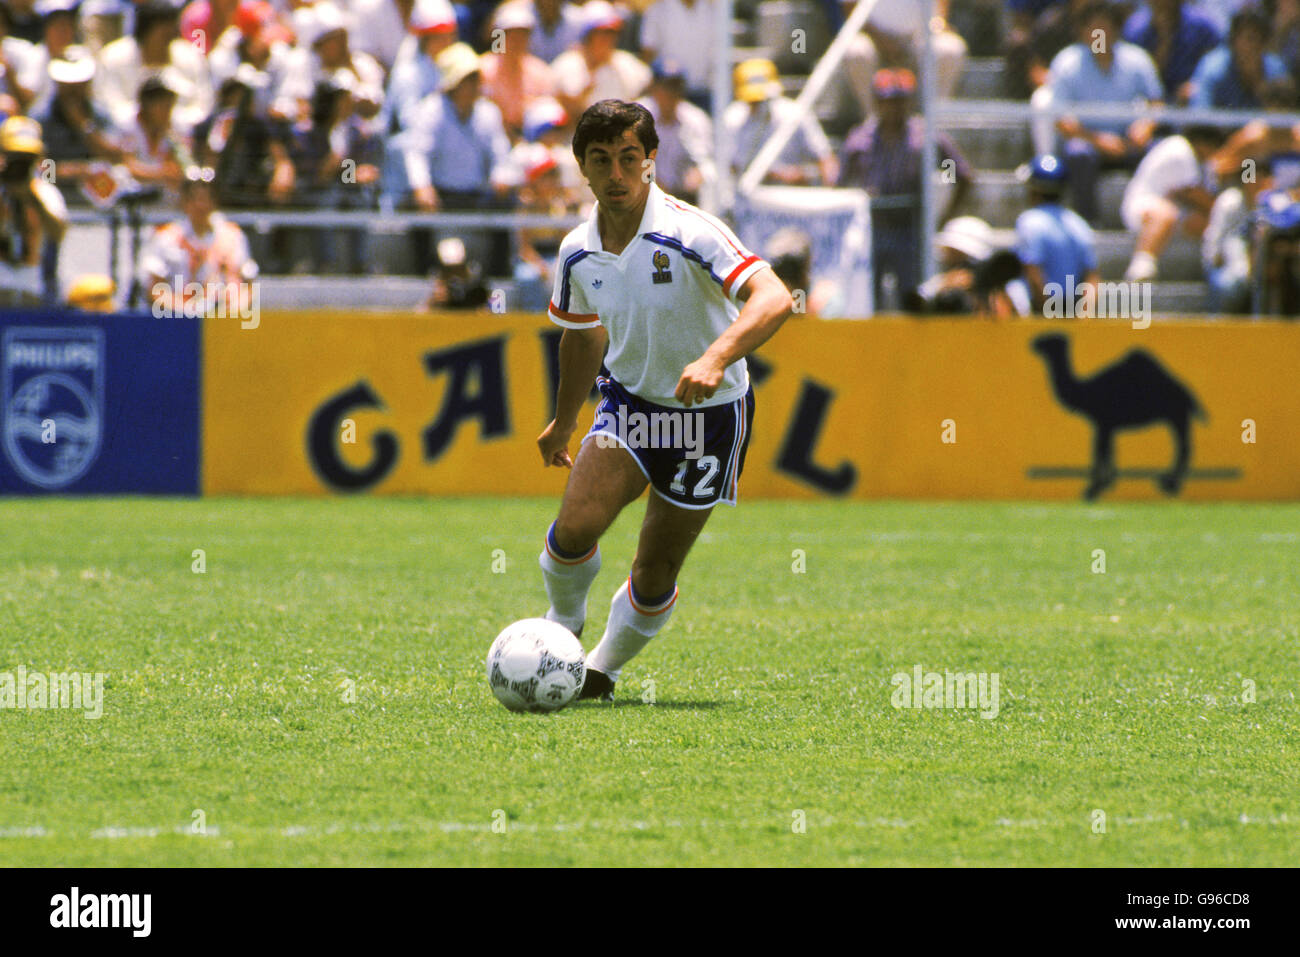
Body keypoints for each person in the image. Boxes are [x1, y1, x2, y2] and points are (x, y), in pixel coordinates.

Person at [536, 99, 793, 702]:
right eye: (602, 160)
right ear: (582, 167)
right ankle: (562, 631)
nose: (618, 174)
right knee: (573, 529)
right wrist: (563, 421)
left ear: (651, 162)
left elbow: (774, 297)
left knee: (654, 571)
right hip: (629, 407)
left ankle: (600, 672)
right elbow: (580, 335)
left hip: (709, 422)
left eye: (631, 158)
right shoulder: (576, 249)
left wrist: (715, 358)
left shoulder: (690, 231)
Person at [838, 67, 972, 309]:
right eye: (888, 101)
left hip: (909, 229)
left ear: (909, 101)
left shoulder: (925, 136)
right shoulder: (860, 139)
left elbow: (961, 174)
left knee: (912, 298)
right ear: (877, 101)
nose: (893, 108)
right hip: (871, 229)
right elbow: (838, 185)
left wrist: (943, 217)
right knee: (868, 297)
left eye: (899, 101)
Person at [1034, 0, 1164, 224]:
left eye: (1105, 28)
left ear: (1116, 30)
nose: (1099, 36)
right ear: (1083, 32)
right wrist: (1098, 140)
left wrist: (1145, 126)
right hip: (1088, 144)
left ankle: (1148, 219)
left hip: (1128, 145)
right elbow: (1061, 120)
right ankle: (1087, 222)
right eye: (1094, 29)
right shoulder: (1067, 62)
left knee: (1160, 150)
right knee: (1078, 153)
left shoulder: (1137, 60)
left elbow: (1156, 102)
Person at [140, 164, 258, 315]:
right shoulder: (166, 237)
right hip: (177, 318)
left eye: (206, 198)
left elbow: (248, 286)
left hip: (224, 318)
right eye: (194, 198)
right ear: (184, 201)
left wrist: (231, 311)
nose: (201, 205)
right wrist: (188, 310)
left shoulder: (233, 236)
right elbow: (155, 289)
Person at [1121, 125, 1223, 280]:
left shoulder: (1197, 159)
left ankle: (1213, 269)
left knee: (1207, 224)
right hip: (1142, 206)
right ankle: (1141, 266)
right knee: (1166, 213)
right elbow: (1194, 194)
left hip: (1174, 212)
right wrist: (1225, 209)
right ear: (1203, 143)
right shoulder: (1180, 149)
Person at [723, 57, 836, 187]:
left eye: (762, 99)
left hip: (790, 197)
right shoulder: (732, 118)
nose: (758, 105)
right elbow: (730, 167)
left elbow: (825, 158)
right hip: (748, 198)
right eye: (752, 100)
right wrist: (774, 174)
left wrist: (827, 189)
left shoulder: (795, 114)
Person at [1014, 153, 1100, 313]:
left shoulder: (1029, 222)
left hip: (1040, 310)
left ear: (1034, 190)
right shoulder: (1079, 224)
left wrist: (1048, 315)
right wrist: (1084, 317)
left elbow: (1033, 272)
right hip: (1072, 311)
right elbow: (1091, 277)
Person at [0, 116, 67, 306]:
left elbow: (58, 232)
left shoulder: (45, 192)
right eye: (15, 159)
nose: (19, 166)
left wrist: (31, 197)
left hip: (35, 284)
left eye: (26, 160)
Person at [550, 1, 650, 120]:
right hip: (578, 134)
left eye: (612, 33)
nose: (608, 39)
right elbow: (563, 109)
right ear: (587, 36)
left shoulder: (626, 62)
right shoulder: (567, 64)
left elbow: (646, 92)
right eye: (602, 33)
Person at [637, 57, 712, 205]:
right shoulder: (638, 116)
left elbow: (705, 161)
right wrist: (657, 187)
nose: (671, 93)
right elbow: (633, 162)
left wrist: (697, 174)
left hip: (684, 199)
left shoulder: (695, 119)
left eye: (676, 87)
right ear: (653, 88)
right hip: (644, 197)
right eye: (666, 87)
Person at [477, 1, 554, 138]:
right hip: (492, 137)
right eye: (511, 35)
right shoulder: (482, 69)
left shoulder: (540, 72)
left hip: (531, 140)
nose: (517, 41)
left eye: (522, 35)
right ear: (500, 36)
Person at [1187, 4, 1289, 108]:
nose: (1251, 46)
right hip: (1219, 124)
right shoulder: (1214, 68)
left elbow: (1284, 115)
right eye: (1247, 39)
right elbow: (1201, 114)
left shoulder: (1275, 70)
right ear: (1233, 41)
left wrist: (1259, 85)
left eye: (1258, 39)